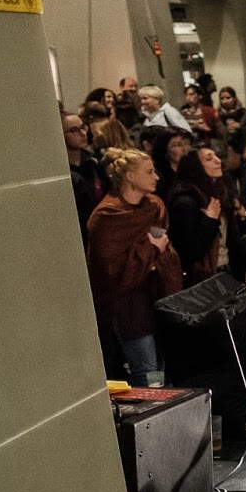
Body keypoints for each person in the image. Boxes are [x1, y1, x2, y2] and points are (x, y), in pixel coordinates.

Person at [86, 148, 182, 386]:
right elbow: (109, 269)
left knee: (164, 368)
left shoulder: (154, 207)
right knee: (146, 372)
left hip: (158, 298)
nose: (156, 177)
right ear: (129, 176)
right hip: (129, 307)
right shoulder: (107, 217)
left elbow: (164, 246)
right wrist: (152, 252)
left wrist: (154, 255)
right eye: (149, 172)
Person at [168, 146, 234, 287]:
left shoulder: (218, 193)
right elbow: (192, 250)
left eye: (216, 156)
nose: (218, 161)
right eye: (209, 159)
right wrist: (209, 220)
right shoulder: (186, 201)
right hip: (203, 279)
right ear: (195, 167)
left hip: (226, 270)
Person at [64, 110, 108, 243]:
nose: (83, 133)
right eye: (75, 130)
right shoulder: (63, 173)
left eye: (83, 127)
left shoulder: (94, 163)